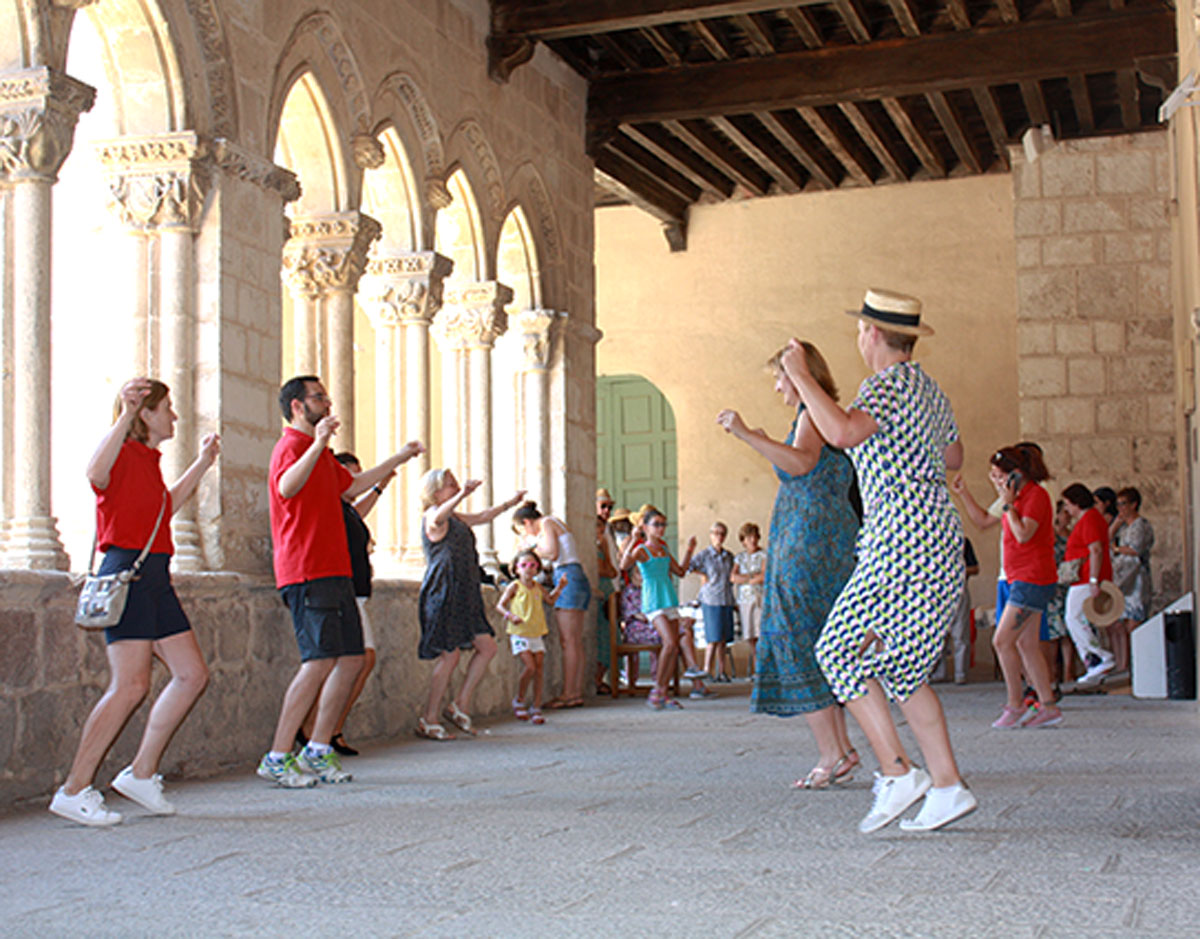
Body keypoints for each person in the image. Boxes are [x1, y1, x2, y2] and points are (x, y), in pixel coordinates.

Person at [790, 288, 977, 833]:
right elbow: (954, 456)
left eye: (859, 330)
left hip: (901, 542)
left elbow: (844, 432)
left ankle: (898, 773)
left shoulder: (887, 386)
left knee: (838, 651)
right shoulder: (929, 391)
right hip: (938, 541)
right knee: (902, 668)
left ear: (870, 333)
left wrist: (802, 375)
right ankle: (947, 786)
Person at [50, 378, 219, 826]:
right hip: (129, 572)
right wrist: (124, 414)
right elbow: (94, 475)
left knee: (191, 674)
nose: (174, 417)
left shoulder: (148, 459)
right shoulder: (123, 452)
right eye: (166, 408)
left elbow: (165, 507)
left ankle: (141, 774)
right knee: (129, 686)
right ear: (146, 414)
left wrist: (203, 463)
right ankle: (73, 789)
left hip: (155, 576)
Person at [258, 376, 422, 787]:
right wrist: (316, 444)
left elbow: (352, 487)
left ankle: (317, 748)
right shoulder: (291, 447)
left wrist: (398, 458)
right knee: (318, 662)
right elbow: (285, 487)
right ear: (298, 406)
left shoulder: (323, 456)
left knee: (350, 659)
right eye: (319, 397)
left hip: (336, 572)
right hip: (307, 570)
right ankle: (278, 755)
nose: (328, 402)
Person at [717, 342, 861, 790]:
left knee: (795, 637)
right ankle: (841, 750)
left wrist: (746, 434)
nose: (778, 386)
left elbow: (801, 463)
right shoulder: (824, 414)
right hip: (826, 540)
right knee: (820, 642)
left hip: (809, 543)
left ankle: (831, 752)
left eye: (780, 376)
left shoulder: (810, 415)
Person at [952, 445, 1062, 728]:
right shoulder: (1016, 497)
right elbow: (982, 521)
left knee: (1002, 640)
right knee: (1026, 644)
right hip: (1019, 577)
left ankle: (1015, 704)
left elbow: (1024, 534)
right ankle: (1048, 705)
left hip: (1032, 577)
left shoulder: (1035, 495)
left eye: (1000, 476)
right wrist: (965, 493)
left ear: (1016, 475)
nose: (997, 481)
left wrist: (1009, 504)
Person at [296, 452, 392, 757]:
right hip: (342, 589)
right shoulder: (329, 505)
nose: (355, 482)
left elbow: (357, 512)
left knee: (359, 660)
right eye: (351, 475)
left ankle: (330, 727)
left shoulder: (346, 509)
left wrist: (379, 488)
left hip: (356, 591)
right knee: (351, 660)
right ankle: (315, 729)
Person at [418, 468, 525, 739]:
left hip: (466, 592)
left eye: (455, 484)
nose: (455, 487)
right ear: (434, 492)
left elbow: (483, 517)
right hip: (443, 591)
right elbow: (438, 516)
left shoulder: (456, 518)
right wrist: (463, 494)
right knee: (450, 655)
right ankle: (428, 718)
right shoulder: (433, 516)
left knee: (487, 647)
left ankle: (459, 705)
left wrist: (509, 504)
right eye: (449, 485)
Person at [618, 508, 698, 709]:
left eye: (663, 524)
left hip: (668, 599)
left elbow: (679, 571)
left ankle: (663, 693)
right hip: (652, 602)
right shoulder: (642, 550)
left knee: (672, 647)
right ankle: (657, 690)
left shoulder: (663, 549)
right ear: (645, 527)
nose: (661, 528)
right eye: (656, 524)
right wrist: (633, 540)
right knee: (670, 643)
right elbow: (623, 564)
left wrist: (689, 551)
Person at [513, 502, 591, 708]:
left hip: (568, 576)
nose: (526, 534)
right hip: (576, 575)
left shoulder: (547, 522)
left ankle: (568, 694)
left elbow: (552, 552)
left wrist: (528, 546)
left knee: (569, 641)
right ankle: (575, 693)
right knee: (575, 641)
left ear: (527, 522)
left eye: (523, 530)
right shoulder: (554, 523)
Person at [497, 550, 567, 725]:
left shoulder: (537, 587)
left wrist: (560, 587)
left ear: (537, 569)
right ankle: (519, 699)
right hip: (520, 632)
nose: (528, 569)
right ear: (516, 569)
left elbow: (550, 600)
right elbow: (500, 605)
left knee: (539, 669)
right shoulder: (514, 586)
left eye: (532, 565)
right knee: (529, 666)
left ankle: (536, 706)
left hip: (536, 632)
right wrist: (510, 616)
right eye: (523, 565)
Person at [1060, 483, 1117, 687]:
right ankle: (1093, 660)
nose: (1067, 509)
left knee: (1073, 618)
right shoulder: (1089, 519)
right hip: (1083, 578)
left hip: (1086, 578)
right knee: (1077, 619)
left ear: (1076, 502)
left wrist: (1094, 580)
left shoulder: (1090, 519)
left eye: (1068, 504)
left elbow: (1096, 550)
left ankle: (1098, 656)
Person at [1110, 487, 1154, 672]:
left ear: (1133, 504)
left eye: (1123, 504)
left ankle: (1140, 666)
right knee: (1118, 622)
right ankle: (1123, 664)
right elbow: (1107, 540)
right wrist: (1114, 526)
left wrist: (1118, 549)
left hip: (1136, 579)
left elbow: (1136, 548)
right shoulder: (1123, 527)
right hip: (1121, 578)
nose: (1120, 508)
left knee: (1134, 623)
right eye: (1118, 504)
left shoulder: (1141, 525)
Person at [687, 521, 737, 681]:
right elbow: (688, 566)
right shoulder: (705, 555)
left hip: (726, 598)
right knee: (713, 637)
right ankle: (707, 669)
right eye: (716, 533)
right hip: (711, 599)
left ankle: (721, 671)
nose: (719, 537)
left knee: (723, 638)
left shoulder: (729, 556)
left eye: (722, 533)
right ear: (711, 535)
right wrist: (702, 574)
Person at [731, 522, 766, 676]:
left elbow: (764, 576)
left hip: (759, 599)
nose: (752, 540)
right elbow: (733, 577)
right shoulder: (739, 557)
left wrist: (745, 578)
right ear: (743, 540)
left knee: (760, 633)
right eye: (748, 537)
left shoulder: (764, 555)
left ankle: (761, 670)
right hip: (744, 600)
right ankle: (756, 668)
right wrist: (752, 577)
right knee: (750, 634)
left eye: (754, 536)